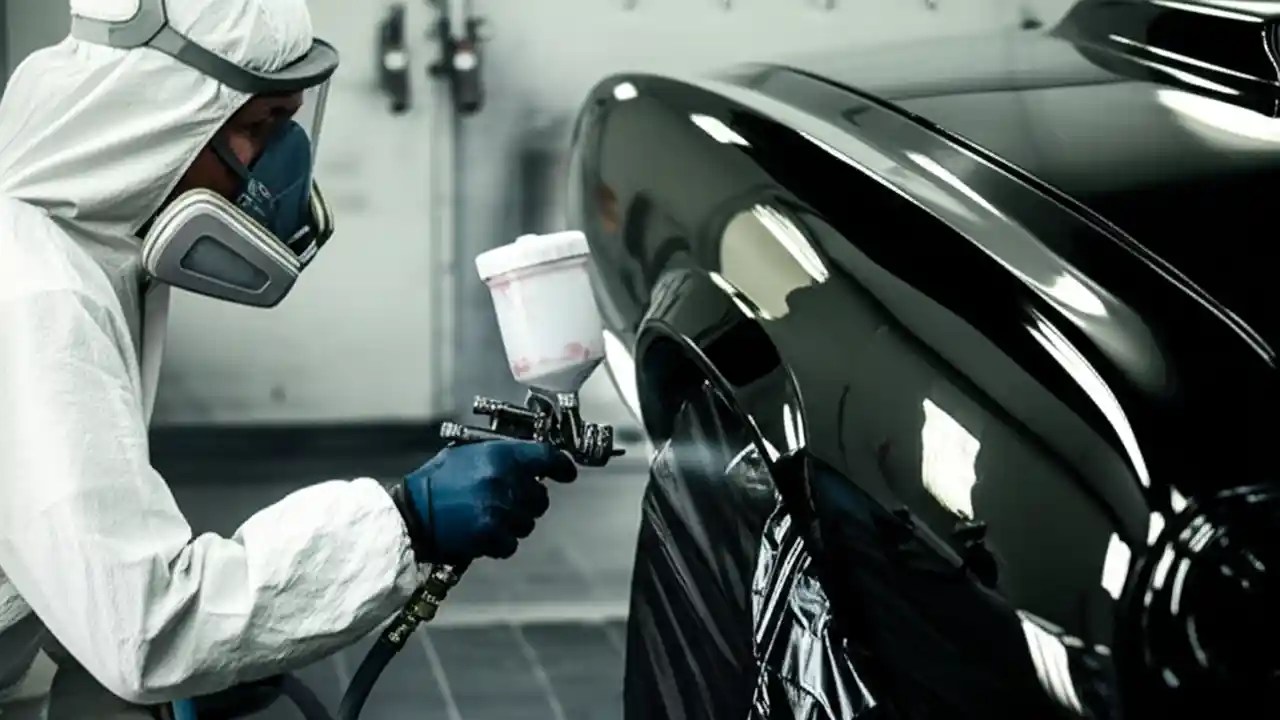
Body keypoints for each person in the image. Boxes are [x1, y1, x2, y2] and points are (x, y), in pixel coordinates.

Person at [0, 0, 576, 716]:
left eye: (287, 123)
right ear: (148, 121)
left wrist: (222, 653)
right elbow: (147, 628)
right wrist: (406, 520)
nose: (281, 163)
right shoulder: (36, 296)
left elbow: (55, 551)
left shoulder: (80, 246)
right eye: (257, 126)